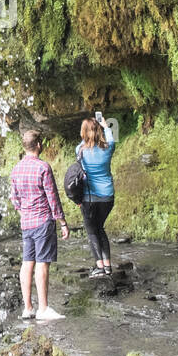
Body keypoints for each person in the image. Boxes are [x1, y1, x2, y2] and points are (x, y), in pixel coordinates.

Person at [9, 129, 70, 322]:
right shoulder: (43, 167)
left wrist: (23, 213)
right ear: (39, 145)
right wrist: (62, 222)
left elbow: (14, 198)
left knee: (27, 263)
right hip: (43, 221)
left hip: (26, 223)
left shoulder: (16, 169)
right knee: (42, 263)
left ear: (24, 147)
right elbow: (52, 197)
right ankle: (43, 308)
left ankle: (28, 308)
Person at [75, 112, 116, 279]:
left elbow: (83, 145)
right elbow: (110, 137)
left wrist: (87, 135)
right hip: (107, 197)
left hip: (89, 198)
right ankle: (108, 266)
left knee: (92, 231)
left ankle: (100, 267)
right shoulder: (108, 147)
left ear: (84, 133)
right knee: (100, 228)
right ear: (98, 130)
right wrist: (104, 126)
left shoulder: (80, 150)